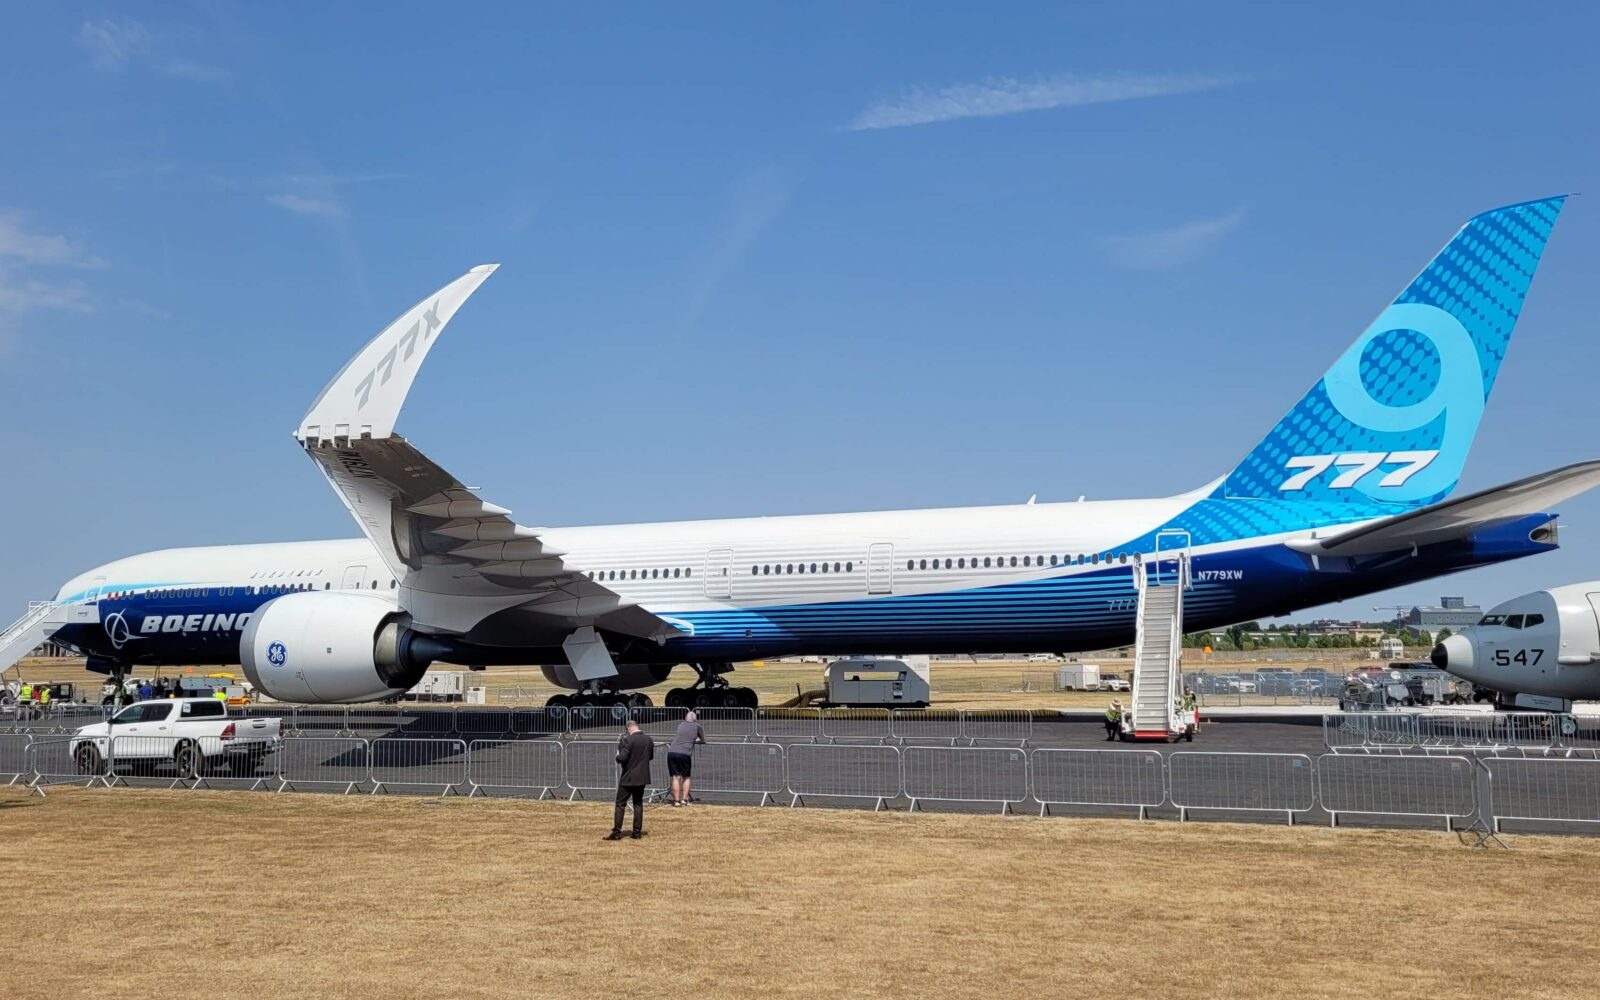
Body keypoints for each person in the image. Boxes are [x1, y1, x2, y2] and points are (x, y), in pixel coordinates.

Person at [606, 720, 654, 841]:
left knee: (620, 804)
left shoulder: (628, 740)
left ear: (628, 728)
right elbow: (651, 757)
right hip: (642, 777)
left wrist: (617, 754)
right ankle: (637, 832)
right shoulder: (649, 739)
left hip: (628, 777)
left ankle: (617, 832)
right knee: (638, 803)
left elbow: (622, 758)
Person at [667, 710, 707, 806]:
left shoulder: (680, 725)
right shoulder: (697, 726)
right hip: (684, 753)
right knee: (686, 777)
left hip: (672, 751)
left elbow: (681, 735)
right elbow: (702, 740)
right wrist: (695, 740)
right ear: (695, 719)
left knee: (675, 777)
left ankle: (676, 801)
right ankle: (684, 800)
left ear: (686, 718)